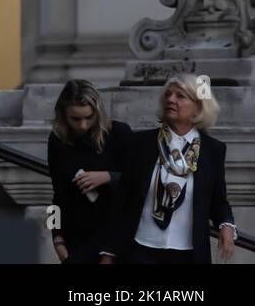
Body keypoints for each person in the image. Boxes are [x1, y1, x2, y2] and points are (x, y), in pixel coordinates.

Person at [100, 74, 237, 264]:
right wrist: (108, 252)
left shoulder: (213, 150)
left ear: (198, 107)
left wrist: (227, 225)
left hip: (188, 255)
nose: (171, 99)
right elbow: (122, 201)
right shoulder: (140, 143)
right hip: (139, 251)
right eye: (168, 95)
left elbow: (218, 201)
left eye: (180, 96)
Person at [45, 79, 131, 263]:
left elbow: (140, 183)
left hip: (115, 236)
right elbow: (57, 195)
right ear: (63, 114)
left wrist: (108, 177)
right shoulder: (57, 142)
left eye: (89, 117)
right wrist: (57, 238)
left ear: (98, 113)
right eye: (75, 119)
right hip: (77, 237)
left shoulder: (118, 134)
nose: (83, 125)